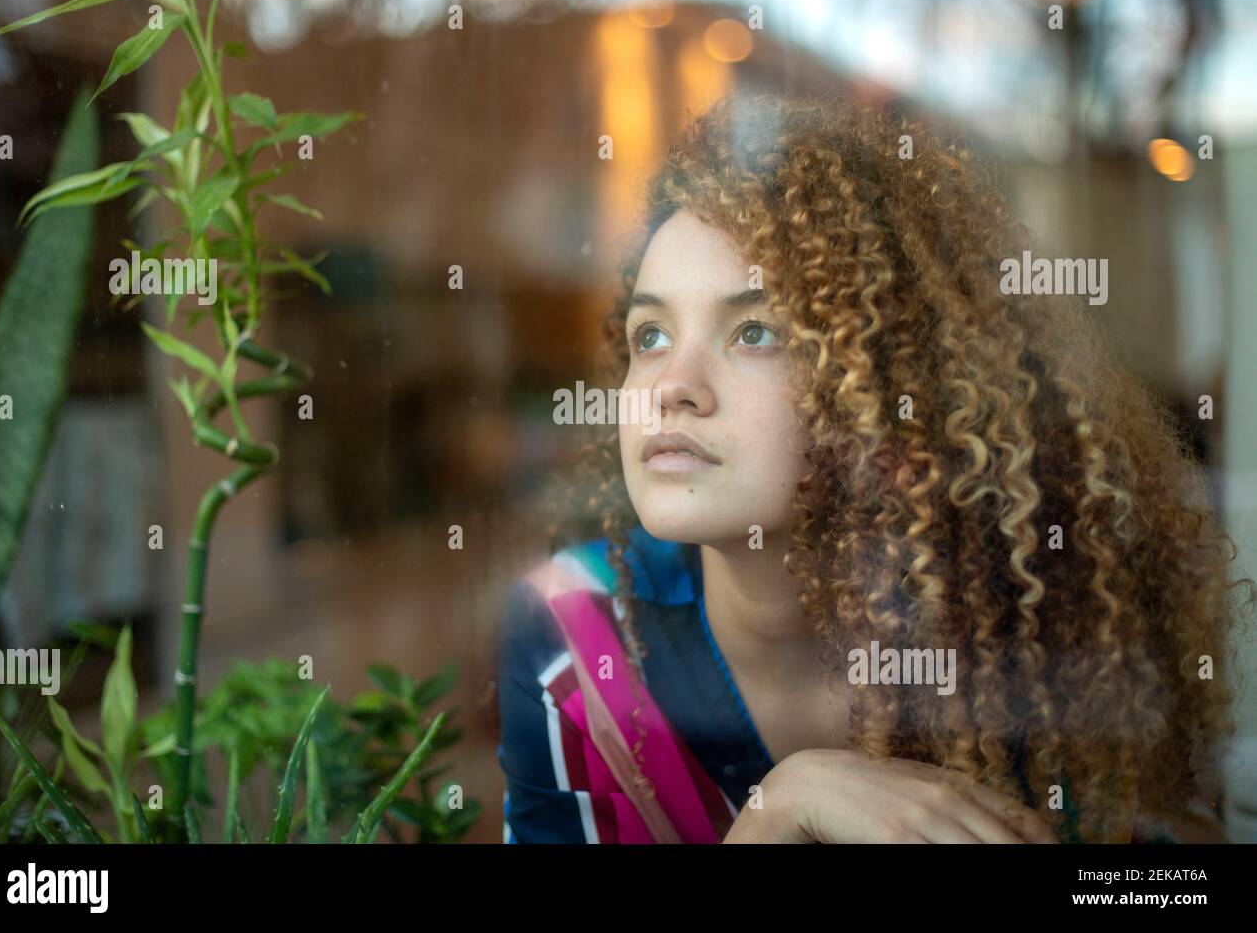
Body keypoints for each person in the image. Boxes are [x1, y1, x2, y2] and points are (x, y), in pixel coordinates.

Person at [496, 92, 1251, 843]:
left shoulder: (1023, 637)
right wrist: (778, 811)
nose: (671, 388)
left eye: (755, 331)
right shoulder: (575, 632)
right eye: (650, 335)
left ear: (887, 397)